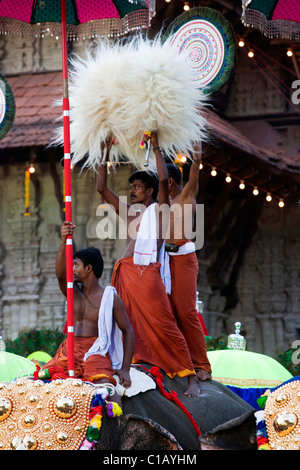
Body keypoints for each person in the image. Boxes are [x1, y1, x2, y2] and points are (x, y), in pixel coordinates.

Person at [97, 132, 200, 397]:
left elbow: (164, 178)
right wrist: (104, 153)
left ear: (151, 191)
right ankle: (129, 365)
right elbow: (101, 189)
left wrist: (155, 145)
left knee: (165, 322)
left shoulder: (161, 210)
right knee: (125, 322)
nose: (131, 190)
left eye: (137, 186)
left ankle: (190, 377)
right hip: (126, 272)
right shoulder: (131, 214)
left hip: (148, 273)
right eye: (131, 187)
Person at [44, 221, 135, 407]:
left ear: (89, 269)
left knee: (108, 392)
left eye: (76, 265)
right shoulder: (72, 292)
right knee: (41, 384)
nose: (73, 269)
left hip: (96, 352)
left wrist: (125, 369)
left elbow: (129, 332)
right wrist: (63, 240)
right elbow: (61, 275)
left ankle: (120, 428)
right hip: (68, 351)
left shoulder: (110, 297)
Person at [164, 142, 211, 381]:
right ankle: (181, 361)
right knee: (169, 311)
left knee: (187, 312)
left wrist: (197, 153)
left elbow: (195, 173)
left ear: (170, 181)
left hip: (183, 258)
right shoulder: (165, 204)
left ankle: (203, 365)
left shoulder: (186, 195)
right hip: (166, 261)